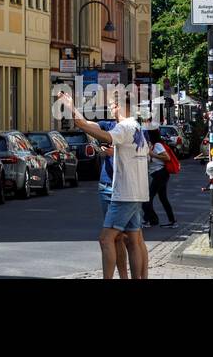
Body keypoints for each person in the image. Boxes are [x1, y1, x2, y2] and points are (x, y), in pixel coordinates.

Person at [60, 90, 149, 279]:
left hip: (124, 193)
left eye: (110, 105)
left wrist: (70, 108)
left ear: (118, 106)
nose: (109, 108)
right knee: (133, 239)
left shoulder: (123, 128)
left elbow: (86, 127)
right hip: (137, 192)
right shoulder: (137, 128)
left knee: (106, 239)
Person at [95, 121, 132, 278]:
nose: (111, 106)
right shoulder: (109, 125)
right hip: (106, 186)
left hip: (124, 188)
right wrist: (71, 109)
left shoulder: (133, 127)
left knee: (117, 238)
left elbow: (142, 155)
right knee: (116, 238)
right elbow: (91, 126)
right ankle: (123, 276)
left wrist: (114, 153)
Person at [142, 128, 176, 227]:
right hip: (158, 174)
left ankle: (149, 220)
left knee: (148, 198)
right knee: (163, 198)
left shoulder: (157, 145)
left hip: (160, 174)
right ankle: (172, 221)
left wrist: (153, 155)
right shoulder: (152, 145)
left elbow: (167, 157)